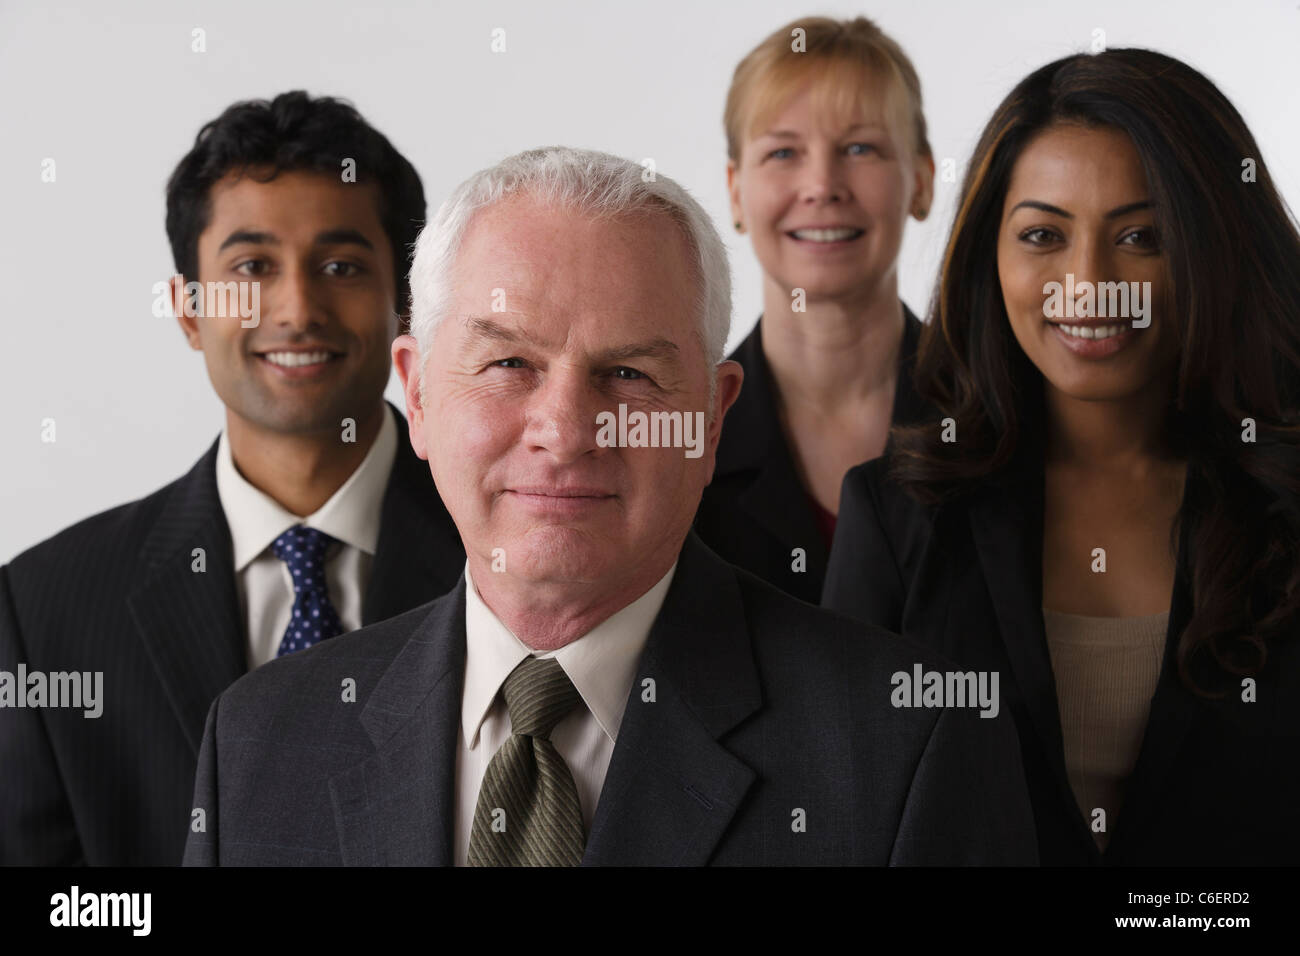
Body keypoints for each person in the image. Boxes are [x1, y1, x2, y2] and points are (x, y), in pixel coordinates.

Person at [183, 146, 1036, 867]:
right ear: (417, 394)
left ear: (712, 418)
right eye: (508, 364)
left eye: (628, 373)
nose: (565, 430)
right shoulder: (259, 744)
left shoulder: (910, 745)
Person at [824, 49, 1300, 865]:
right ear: (990, 256)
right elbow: (836, 822)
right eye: (1044, 235)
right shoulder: (895, 516)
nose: (1088, 284)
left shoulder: (1285, 498)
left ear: (1214, 246)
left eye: (1142, 237)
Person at [0, 92, 464, 866]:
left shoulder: (515, 558)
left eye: (342, 266)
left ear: (406, 302)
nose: (297, 308)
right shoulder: (43, 610)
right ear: (188, 309)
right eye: (251, 267)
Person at [694, 16, 935, 603]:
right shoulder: (681, 442)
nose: (822, 184)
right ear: (735, 192)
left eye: (860, 148)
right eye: (783, 152)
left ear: (923, 181)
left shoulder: (1006, 416)